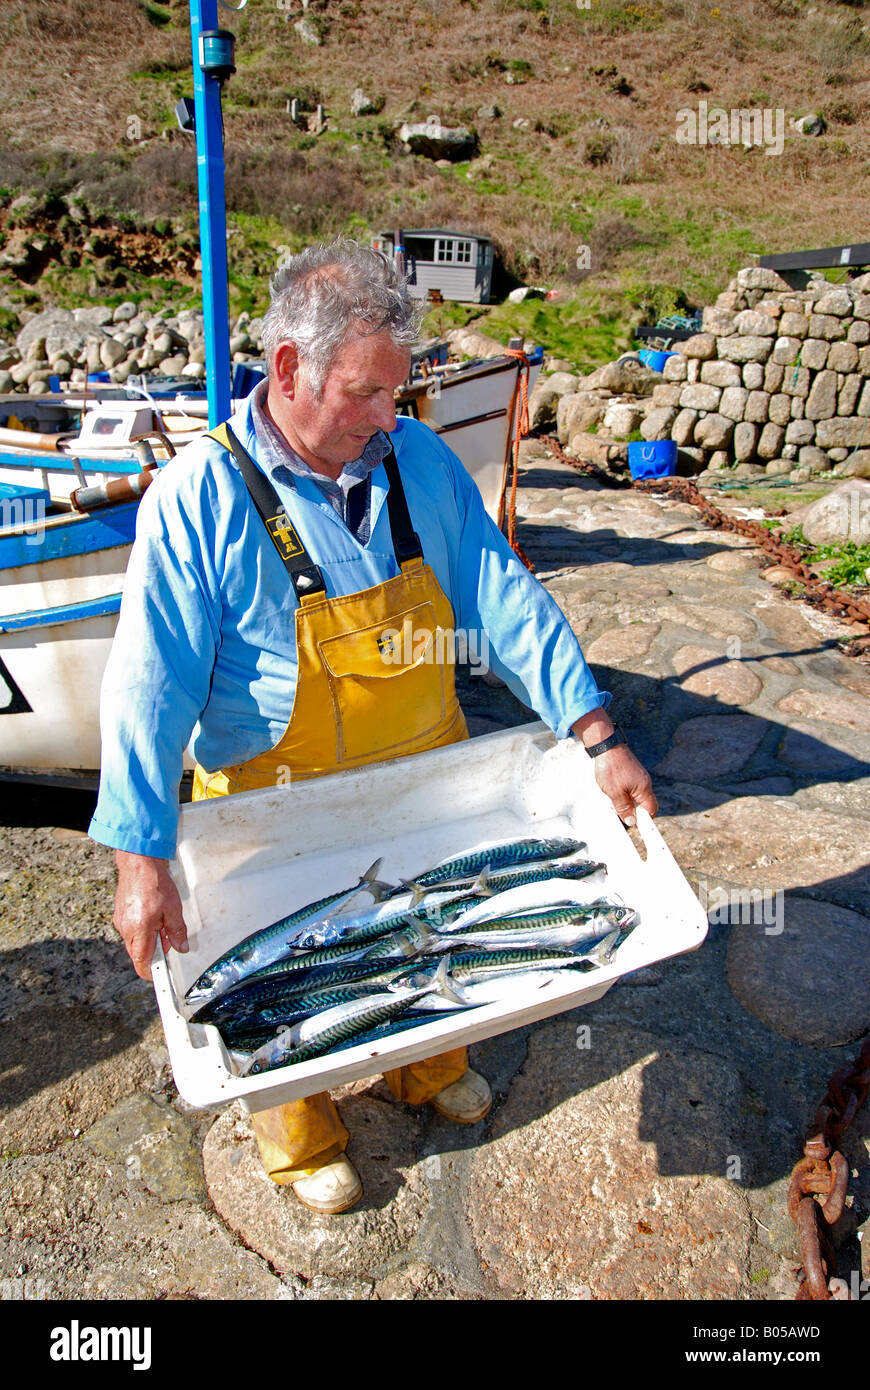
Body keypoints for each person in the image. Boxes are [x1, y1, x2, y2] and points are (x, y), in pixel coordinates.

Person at [89, 239, 657, 1215]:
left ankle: (425, 1071)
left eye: (399, 391)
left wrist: (595, 731)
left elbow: (503, 601)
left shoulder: (417, 461)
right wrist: (138, 853)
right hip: (274, 808)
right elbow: (149, 685)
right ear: (287, 371)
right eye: (364, 393)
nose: (388, 417)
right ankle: (299, 1129)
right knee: (290, 982)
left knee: (435, 935)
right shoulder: (200, 497)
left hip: (422, 785)